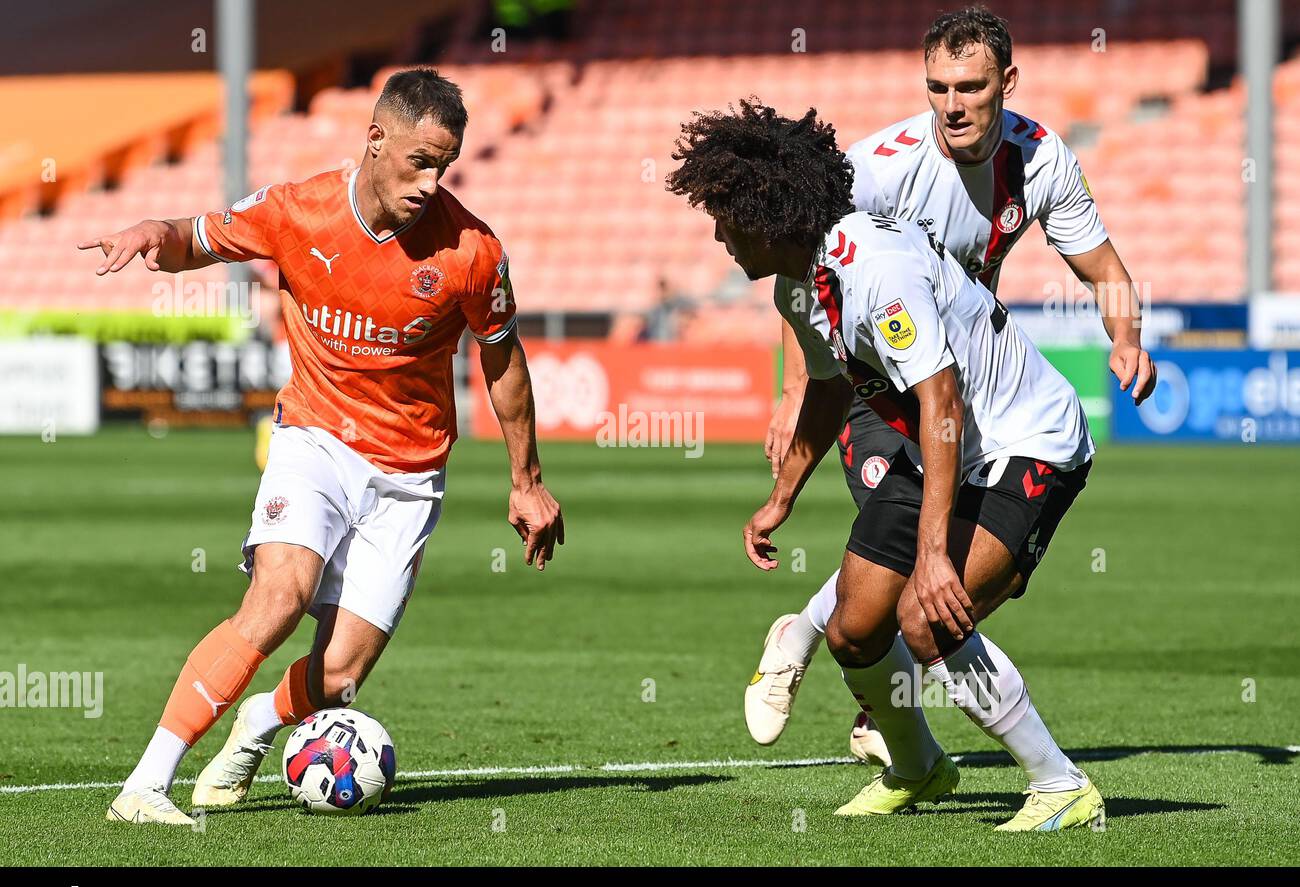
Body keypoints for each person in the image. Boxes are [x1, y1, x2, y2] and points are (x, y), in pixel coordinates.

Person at [81, 68, 564, 825]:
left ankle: (256, 729)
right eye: (419, 161)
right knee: (278, 597)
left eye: (444, 165)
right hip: (314, 439)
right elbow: (199, 238)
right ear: (375, 140)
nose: (430, 182)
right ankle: (147, 783)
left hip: (409, 473)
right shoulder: (298, 210)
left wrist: (526, 480)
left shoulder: (473, 252)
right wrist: (154, 234)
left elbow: (501, 356)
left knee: (337, 677)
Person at [667, 98, 1104, 830]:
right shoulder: (797, 286)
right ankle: (918, 768)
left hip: (1025, 441)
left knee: (928, 619)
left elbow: (941, 403)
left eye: (725, 217)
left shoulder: (874, 271)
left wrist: (932, 554)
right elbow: (832, 388)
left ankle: (1060, 784)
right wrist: (782, 498)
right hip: (945, 445)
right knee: (855, 629)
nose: (719, 235)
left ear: (764, 215)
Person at [747, 7, 1155, 760]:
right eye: (937, 87)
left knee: (941, 583)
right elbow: (802, 273)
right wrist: (794, 389)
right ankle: (853, 665)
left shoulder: (1040, 159)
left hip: (972, 374)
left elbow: (1104, 269)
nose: (952, 105)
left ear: (1008, 82)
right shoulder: (877, 168)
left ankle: (836, 657)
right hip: (888, 377)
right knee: (901, 536)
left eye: (970, 86)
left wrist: (1126, 335)